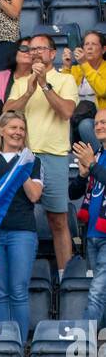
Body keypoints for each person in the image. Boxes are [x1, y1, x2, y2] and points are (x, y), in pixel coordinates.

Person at [3, 32, 77, 272]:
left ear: (52, 54)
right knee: (21, 220)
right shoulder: (22, 82)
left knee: (58, 220)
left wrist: (44, 85)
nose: (34, 52)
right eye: (31, 49)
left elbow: (66, 112)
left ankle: (65, 278)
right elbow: (6, 114)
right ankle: (22, 273)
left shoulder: (66, 80)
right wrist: (28, 91)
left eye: (40, 48)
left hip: (54, 156)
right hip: (25, 157)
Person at [0, 112, 43, 340]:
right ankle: (0, 345)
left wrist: (19, 168)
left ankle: (20, 346)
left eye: (22, 129)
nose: (18, 132)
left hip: (22, 232)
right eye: (13, 127)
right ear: (1, 131)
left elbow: (34, 196)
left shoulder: (32, 161)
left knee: (19, 291)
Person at [74, 109, 106, 327]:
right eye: (96, 123)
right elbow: (73, 193)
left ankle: (84, 346)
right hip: (93, 234)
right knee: (102, 294)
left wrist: (92, 166)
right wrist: (82, 175)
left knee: (96, 293)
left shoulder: (95, 159)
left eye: (104, 122)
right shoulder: (97, 155)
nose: (98, 126)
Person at [61, 29, 106, 147]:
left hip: (100, 120)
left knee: (85, 125)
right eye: (86, 44)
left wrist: (85, 64)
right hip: (75, 118)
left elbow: (102, 90)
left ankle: (99, 159)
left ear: (104, 49)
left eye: (94, 44)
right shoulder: (76, 69)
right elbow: (62, 94)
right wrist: (66, 67)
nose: (89, 48)